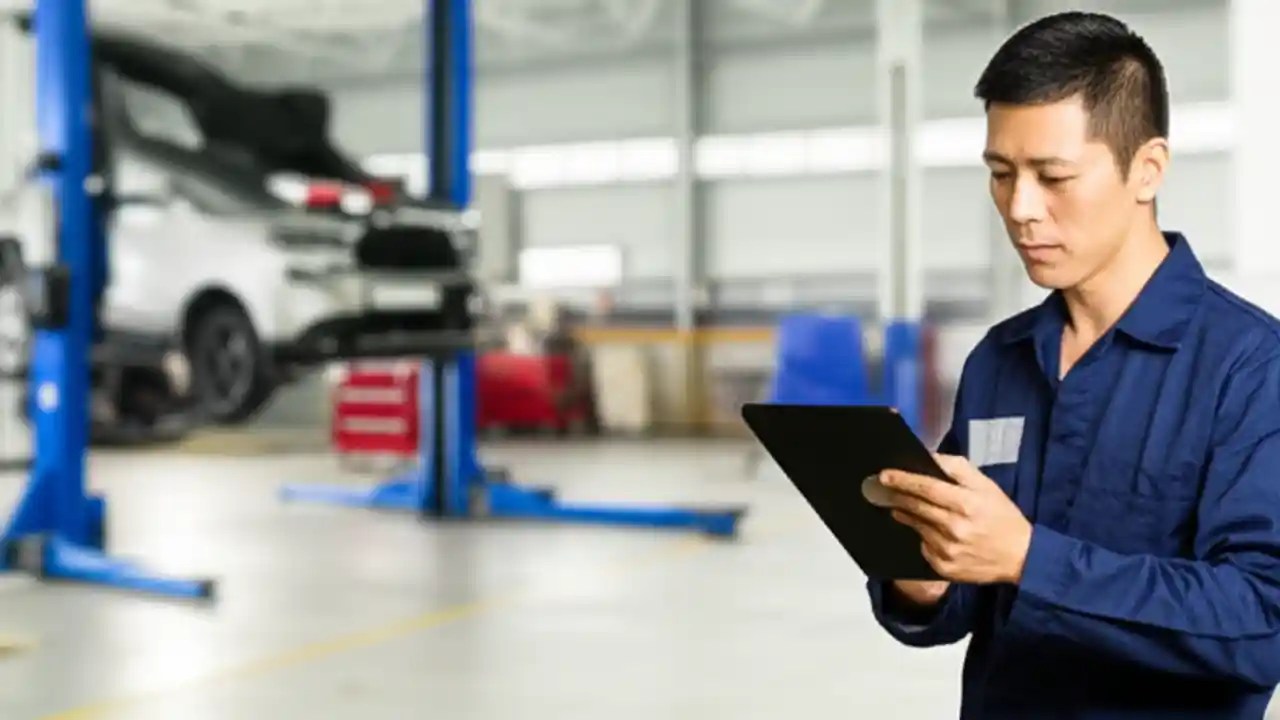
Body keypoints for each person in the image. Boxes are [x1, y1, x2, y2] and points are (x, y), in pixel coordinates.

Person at [866, 10, 1280, 719]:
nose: (1020, 208)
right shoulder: (999, 360)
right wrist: (924, 575)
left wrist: (1028, 558)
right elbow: (966, 600)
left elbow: (1262, 622)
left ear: (1147, 169)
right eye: (1001, 174)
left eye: (1053, 176)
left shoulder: (1249, 367)